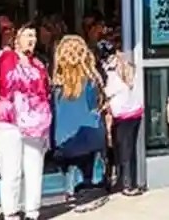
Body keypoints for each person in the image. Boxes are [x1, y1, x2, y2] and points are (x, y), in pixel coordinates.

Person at [0, 22, 53, 220]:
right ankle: (11, 212)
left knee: (34, 168)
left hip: (35, 125)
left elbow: (46, 94)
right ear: (17, 39)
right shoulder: (3, 57)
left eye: (34, 36)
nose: (31, 40)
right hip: (7, 122)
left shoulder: (40, 64)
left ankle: (32, 211)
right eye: (27, 35)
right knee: (10, 171)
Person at [52, 34, 110, 213]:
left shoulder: (57, 85)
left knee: (70, 166)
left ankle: (71, 192)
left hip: (63, 138)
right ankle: (87, 191)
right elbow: (95, 106)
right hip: (89, 136)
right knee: (89, 166)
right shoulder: (91, 81)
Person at [100, 39, 143, 196]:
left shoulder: (112, 72)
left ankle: (127, 184)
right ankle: (126, 182)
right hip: (132, 112)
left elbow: (107, 91)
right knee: (126, 150)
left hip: (124, 115)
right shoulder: (124, 65)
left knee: (122, 150)